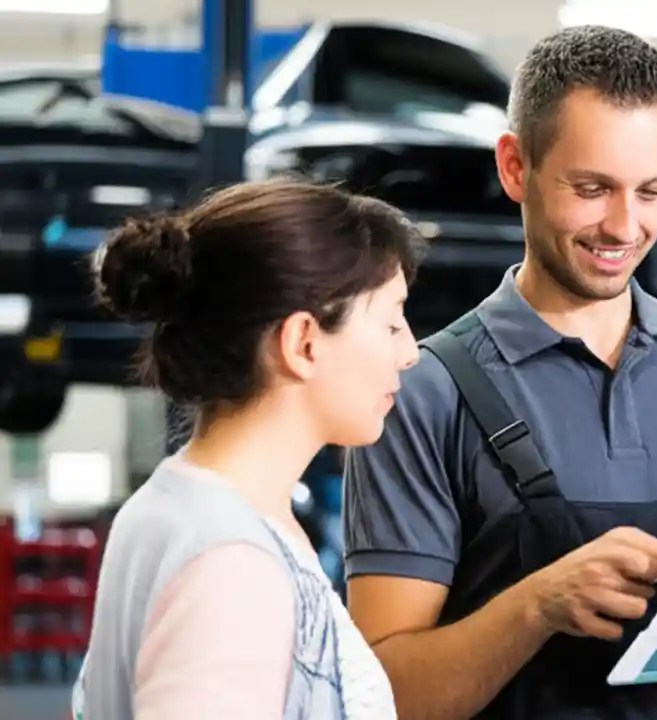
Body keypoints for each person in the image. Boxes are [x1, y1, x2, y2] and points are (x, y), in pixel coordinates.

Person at [342, 25, 657, 719]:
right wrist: (536, 607)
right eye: (592, 188)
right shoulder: (425, 391)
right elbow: (389, 694)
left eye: (650, 192)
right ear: (515, 167)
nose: (624, 227)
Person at [74, 179, 424, 719]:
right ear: (303, 342)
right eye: (392, 322)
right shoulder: (232, 566)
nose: (409, 352)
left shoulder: (183, 509)